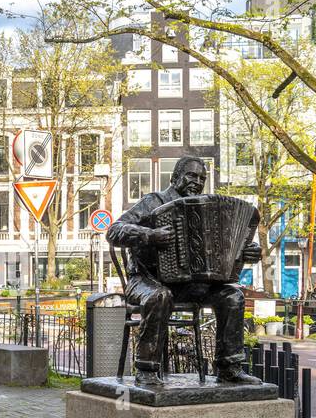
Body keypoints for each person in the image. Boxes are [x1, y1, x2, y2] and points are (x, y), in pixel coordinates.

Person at [107, 155, 262, 387]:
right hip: (146, 280)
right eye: (191, 175)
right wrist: (149, 235)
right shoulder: (154, 201)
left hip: (189, 285)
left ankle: (229, 368)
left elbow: (224, 249)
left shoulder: (207, 209)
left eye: (202, 178)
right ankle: (146, 370)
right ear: (175, 177)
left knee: (232, 295)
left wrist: (247, 252)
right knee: (160, 296)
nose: (197, 182)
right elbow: (114, 231)